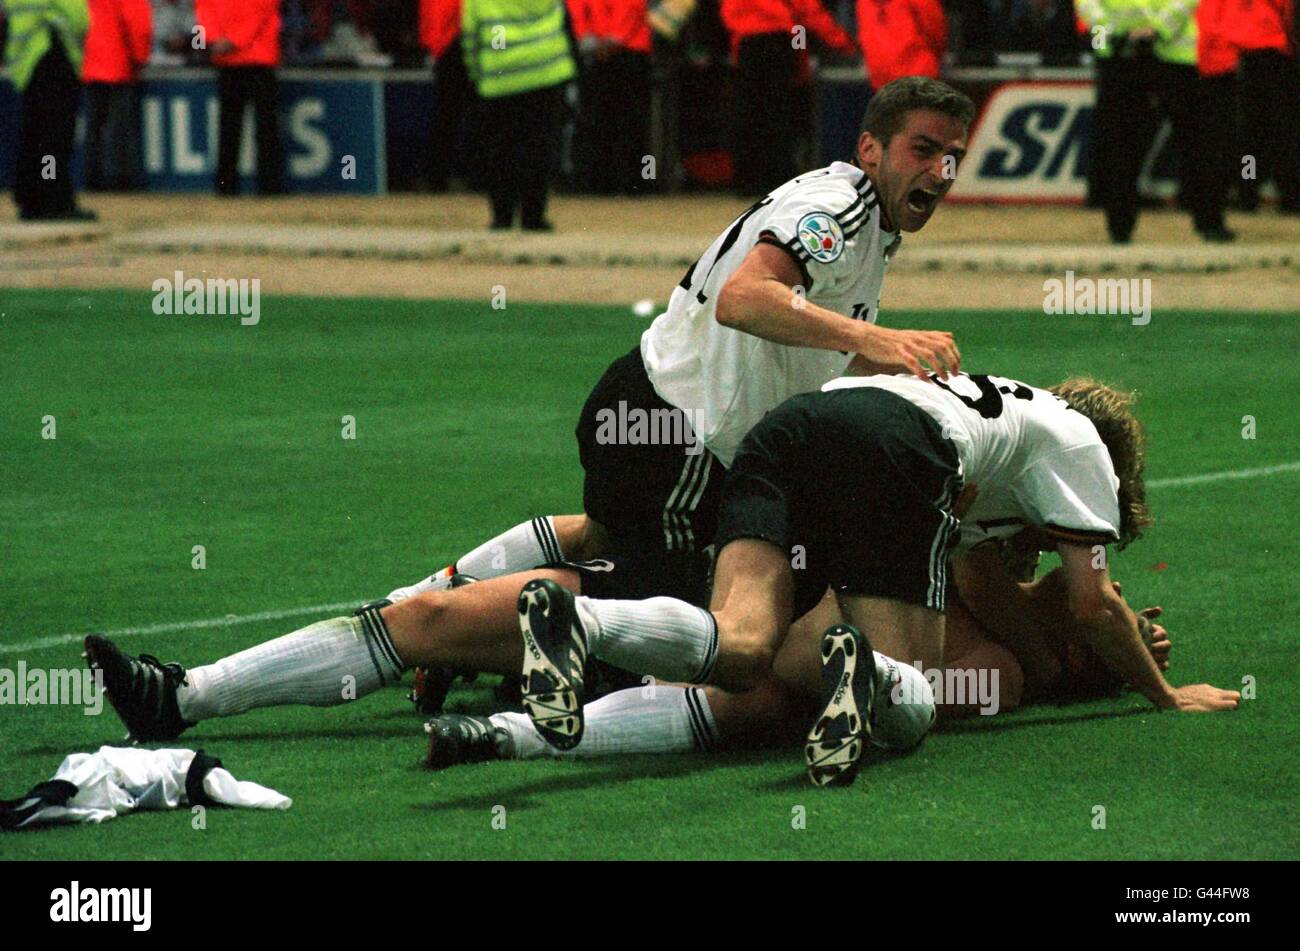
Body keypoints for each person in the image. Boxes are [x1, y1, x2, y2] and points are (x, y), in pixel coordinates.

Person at [385, 77, 972, 615]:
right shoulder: (840, 209)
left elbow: (813, 333)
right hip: (684, 433)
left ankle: (420, 600)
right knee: (662, 608)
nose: (940, 172)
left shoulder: (863, 218)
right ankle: (441, 633)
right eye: (923, 151)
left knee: (602, 539)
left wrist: (899, 375)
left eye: (952, 159)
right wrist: (876, 337)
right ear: (870, 149)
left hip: (652, 404)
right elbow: (744, 298)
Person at [513, 373, 1241, 785]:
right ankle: (870, 673)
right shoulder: (1082, 456)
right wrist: (1163, 691)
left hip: (793, 427)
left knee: (744, 648)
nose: (1052, 551)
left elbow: (985, 572)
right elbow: (1092, 600)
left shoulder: (1007, 430)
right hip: (893, 449)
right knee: (910, 684)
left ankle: (581, 628)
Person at [721, 0, 857, 195]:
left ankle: (747, 181)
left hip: (746, 43)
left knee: (748, 116)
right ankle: (779, 180)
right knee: (780, 116)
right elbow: (807, 11)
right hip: (781, 41)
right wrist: (842, 42)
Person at [462, 0, 576, 229]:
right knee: (539, 149)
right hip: (545, 70)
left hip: (500, 73)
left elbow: (470, 36)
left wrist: (475, 73)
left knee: (500, 153)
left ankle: (502, 216)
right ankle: (533, 216)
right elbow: (564, 17)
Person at [3, 0, 95, 221]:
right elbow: (77, 15)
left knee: (34, 133)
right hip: (52, 52)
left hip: (28, 59)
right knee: (54, 137)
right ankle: (53, 198)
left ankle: (30, 198)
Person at [194, 0, 285, 196]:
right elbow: (204, 9)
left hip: (253, 58)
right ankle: (255, 186)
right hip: (247, 57)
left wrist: (224, 40)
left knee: (256, 127)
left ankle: (248, 185)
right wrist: (219, 40)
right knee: (238, 127)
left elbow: (263, 8)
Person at [569, 0, 654, 195]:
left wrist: (608, 39)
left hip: (628, 50)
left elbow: (633, 7)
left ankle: (631, 181)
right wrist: (593, 40)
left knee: (629, 122)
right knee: (599, 120)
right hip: (606, 50)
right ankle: (608, 181)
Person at [1225, 0, 1300, 214]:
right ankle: (1287, 194)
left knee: (1253, 133)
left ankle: (1248, 193)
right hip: (1275, 56)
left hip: (1248, 56)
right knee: (1279, 132)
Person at [84, 0, 153, 192]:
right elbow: (138, 25)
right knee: (119, 127)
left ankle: (94, 178)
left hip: (91, 62)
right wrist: (140, 58)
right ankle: (119, 179)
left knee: (95, 127)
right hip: (118, 63)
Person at [420, 0, 471, 192]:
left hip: (451, 46)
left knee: (448, 117)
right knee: (449, 117)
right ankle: (438, 178)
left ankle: (438, 179)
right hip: (454, 46)